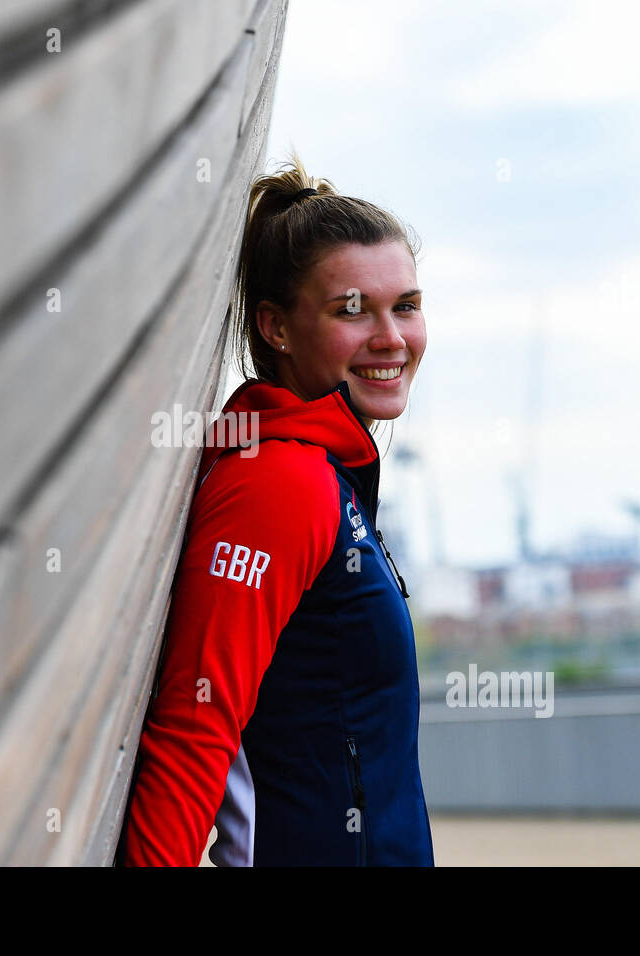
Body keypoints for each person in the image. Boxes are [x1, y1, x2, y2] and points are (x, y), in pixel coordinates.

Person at [116, 152, 434, 866]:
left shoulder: (325, 474)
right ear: (276, 328)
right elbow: (193, 734)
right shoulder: (276, 484)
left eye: (406, 306)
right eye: (352, 310)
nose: (391, 338)